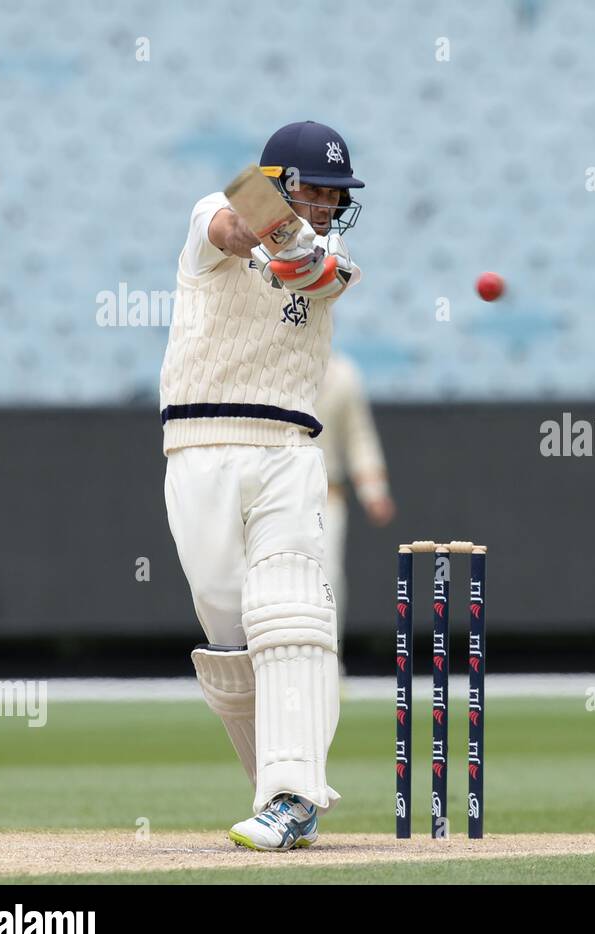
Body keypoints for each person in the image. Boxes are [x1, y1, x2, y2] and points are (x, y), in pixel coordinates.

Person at [160, 120, 363, 850]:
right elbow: (224, 230)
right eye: (320, 192)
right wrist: (263, 227)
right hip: (196, 447)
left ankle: (294, 795)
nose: (331, 207)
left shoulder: (333, 253)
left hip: (285, 448)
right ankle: (272, 792)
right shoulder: (213, 209)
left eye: (340, 197)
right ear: (283, 184)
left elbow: (312, 276)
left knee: (291, 613)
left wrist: (298, 243)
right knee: (230, 636)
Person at [315, 351, 396, 663]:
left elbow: (358, 436)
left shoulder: (343, 375)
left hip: (327, 496)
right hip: (274, 493)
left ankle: (328, 668)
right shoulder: (272, 364)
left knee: (328, 580)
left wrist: (374, 490)